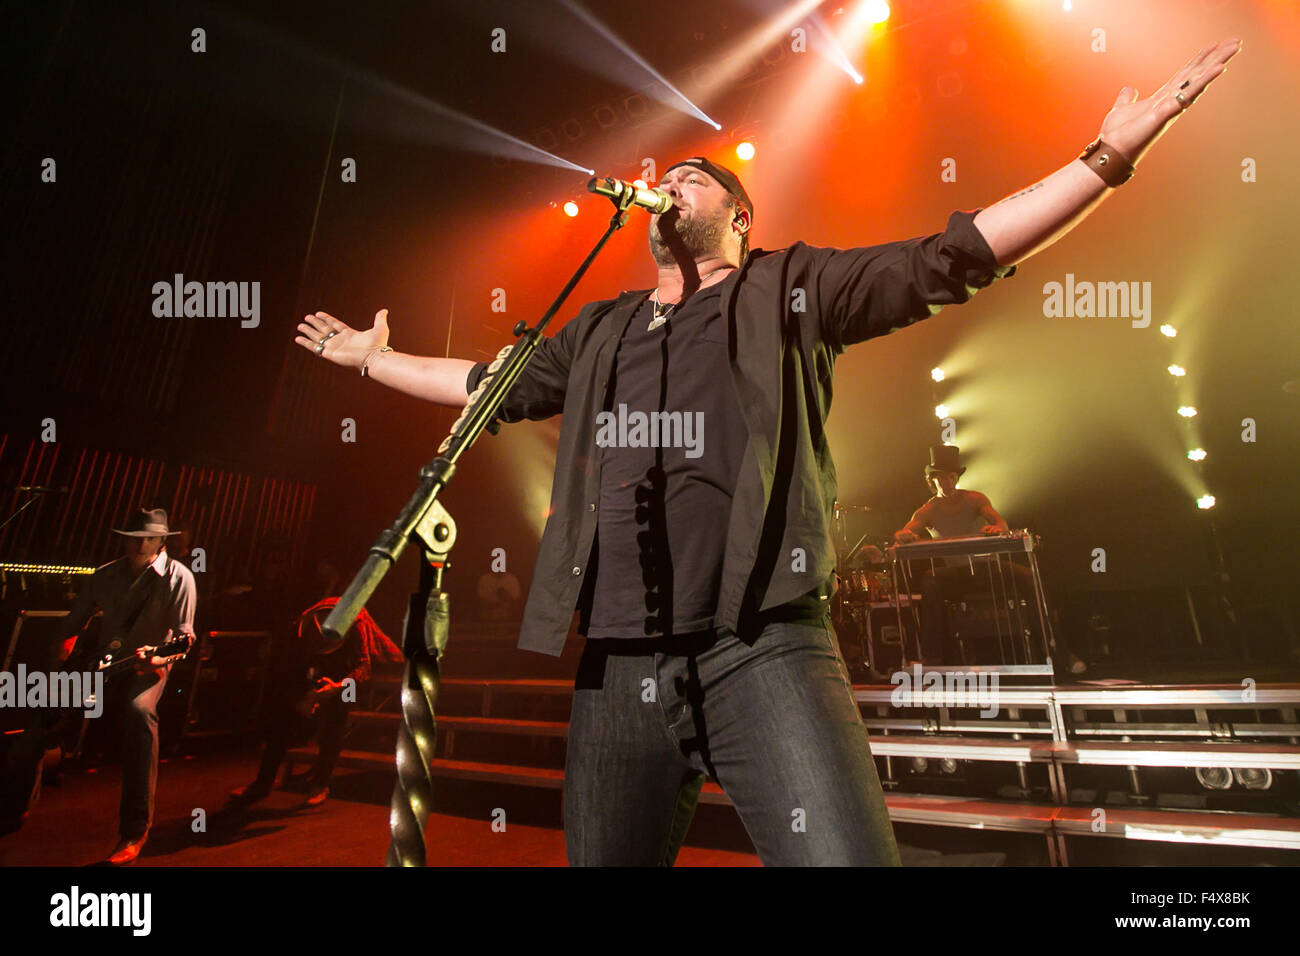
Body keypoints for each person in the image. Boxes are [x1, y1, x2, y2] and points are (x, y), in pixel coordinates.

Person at [293, 38, 1239, 865]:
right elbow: (482, 386)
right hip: (617, 660)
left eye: (696, 178)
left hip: (765, 645)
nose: (671, 181)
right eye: (666, 175)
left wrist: (1105, 157)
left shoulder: (790, 288)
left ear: (739, 216)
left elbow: (954, 258)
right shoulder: (601, 329)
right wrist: (374, 363)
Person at [1, 508, 197, 865]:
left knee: (139, 714)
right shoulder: (105, 575)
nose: (140, 545)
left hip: (147, 666)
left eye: (148, 539)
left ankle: (135, 831)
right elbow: (71, 625)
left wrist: (157, 659)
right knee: (37, 720)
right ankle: (14, 807)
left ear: (161, 541)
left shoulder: (179, 578)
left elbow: (184, 639)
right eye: (133, 538)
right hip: (100, 665)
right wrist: (62, 654)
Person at [892, 445, 1084, 673]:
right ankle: (933, 659)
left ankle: (1060, 652)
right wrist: (905, 535)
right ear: (932, 480)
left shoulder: (974, 498)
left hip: (988, 567)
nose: (948, 483)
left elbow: (999, 522)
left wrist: (996, 528)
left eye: (952, 476)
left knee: (1029, 577)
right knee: (929, 580)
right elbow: (905, 532)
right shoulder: (926, 510)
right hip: (957, 576)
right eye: (941, 478)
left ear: (957, 477)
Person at [227, 597, 385, 809]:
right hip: (311, 665)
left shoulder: (356, 625)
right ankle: (262, 783)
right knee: (282, 721)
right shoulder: (301, 629)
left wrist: (338, 686)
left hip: (342, 672)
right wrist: (301, 698)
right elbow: (289, 668)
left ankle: (320, 785)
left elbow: (364, 668)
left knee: (335, 723)